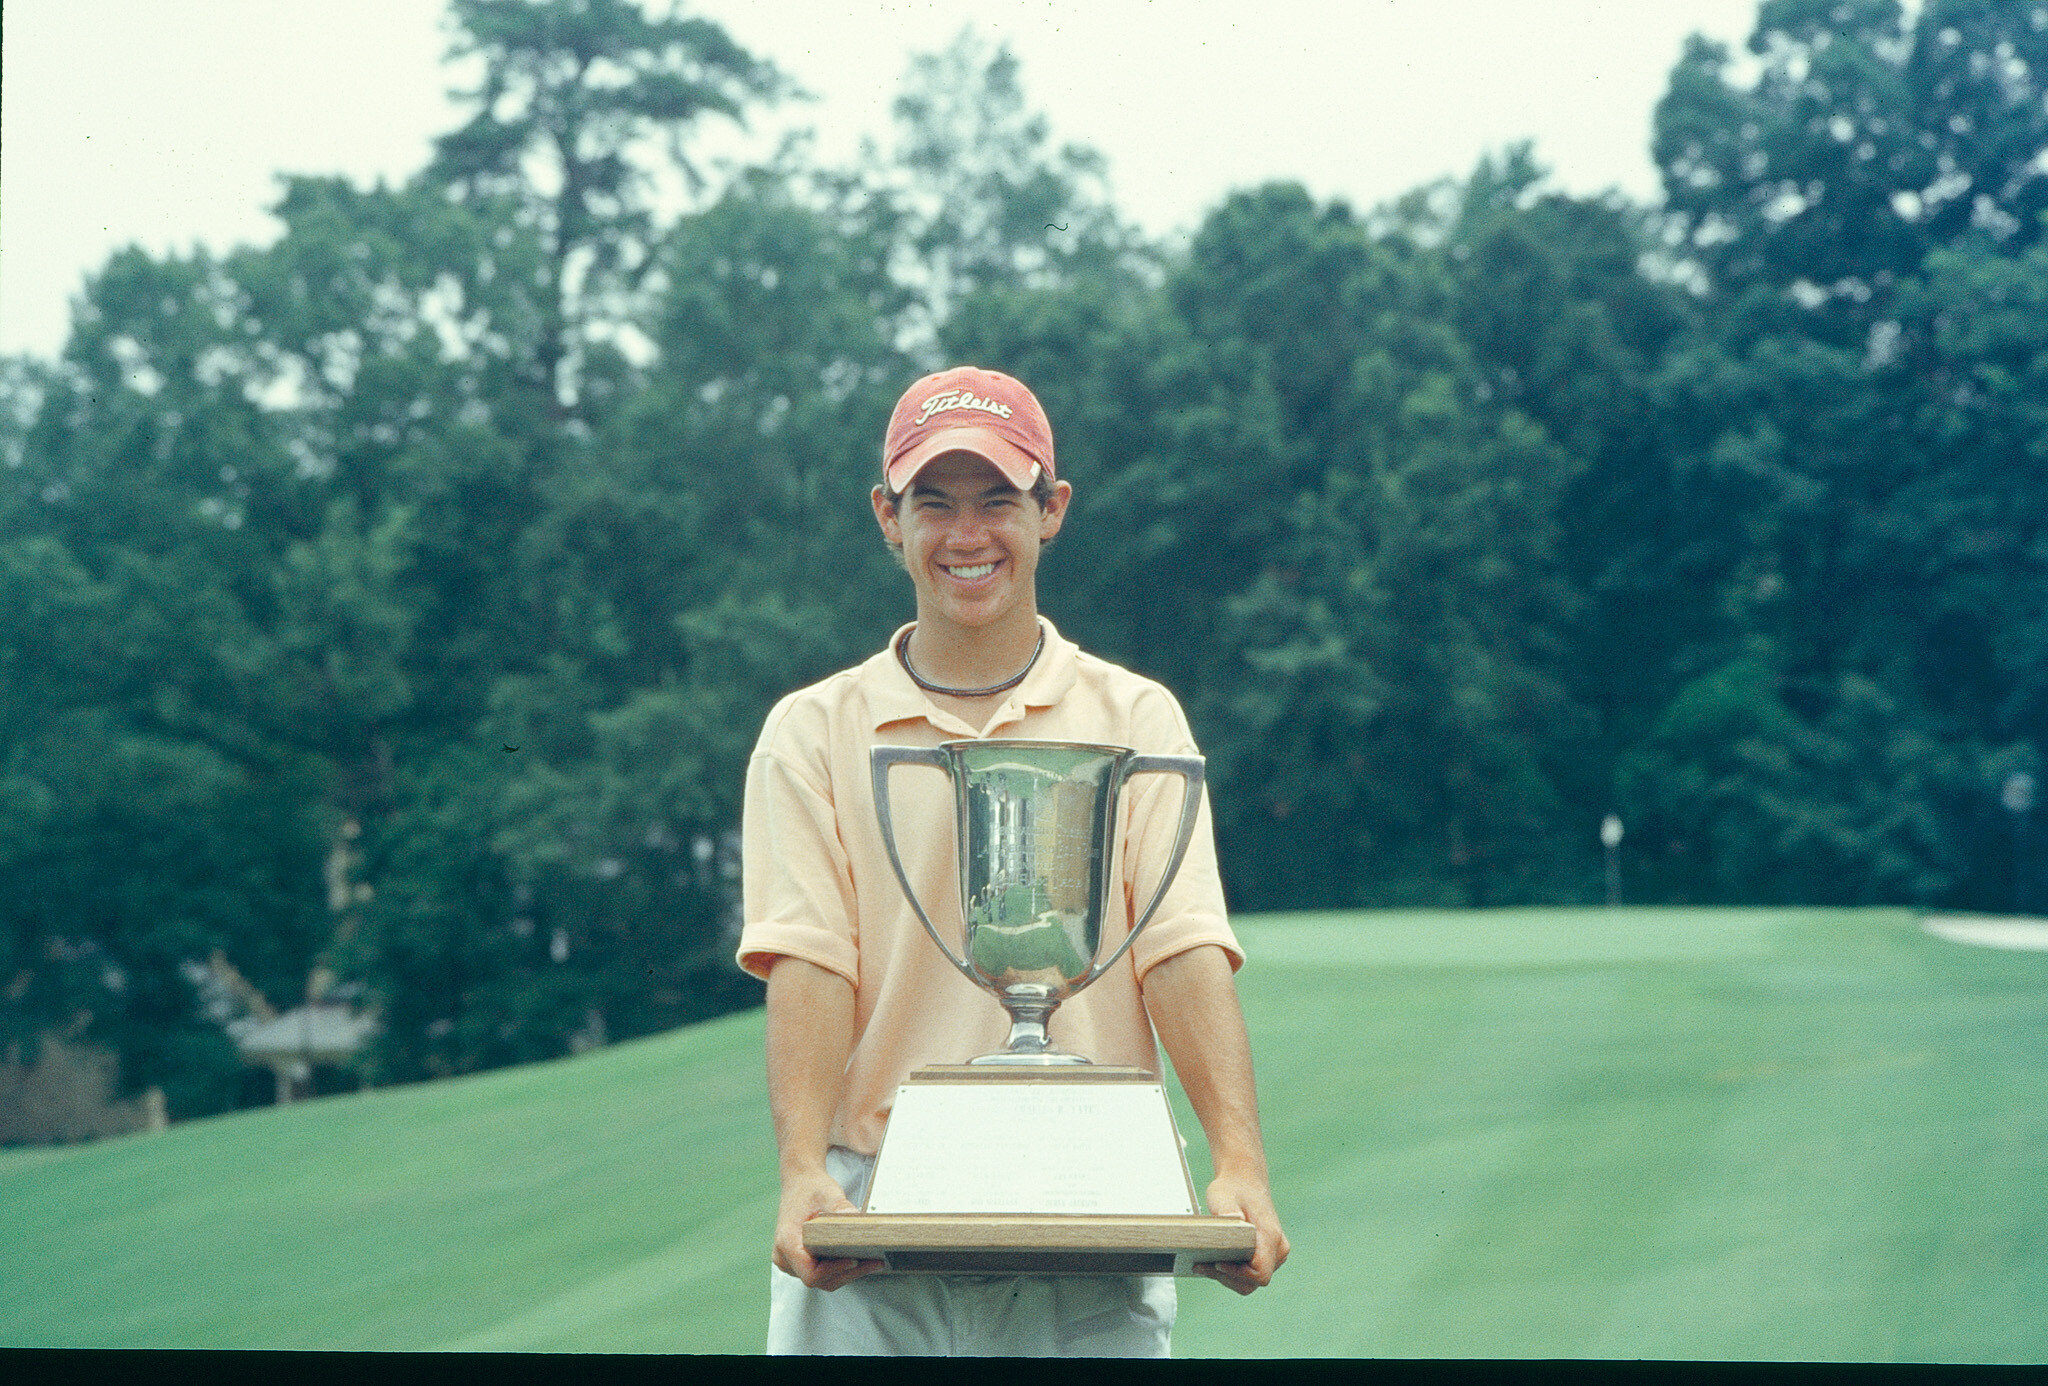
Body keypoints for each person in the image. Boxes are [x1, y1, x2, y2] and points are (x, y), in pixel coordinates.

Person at [737, 365, 1288, 1356]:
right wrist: (799, 1173)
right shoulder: (811, 732)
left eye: (997, 499)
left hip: (1091, 1195)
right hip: (871, 1207)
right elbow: (812, 961)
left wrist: (1237, 1162)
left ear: (1051, 511)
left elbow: (1180, 948)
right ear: (885, 516)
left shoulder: (1135, 717)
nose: (965, 535)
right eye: (932, 502)